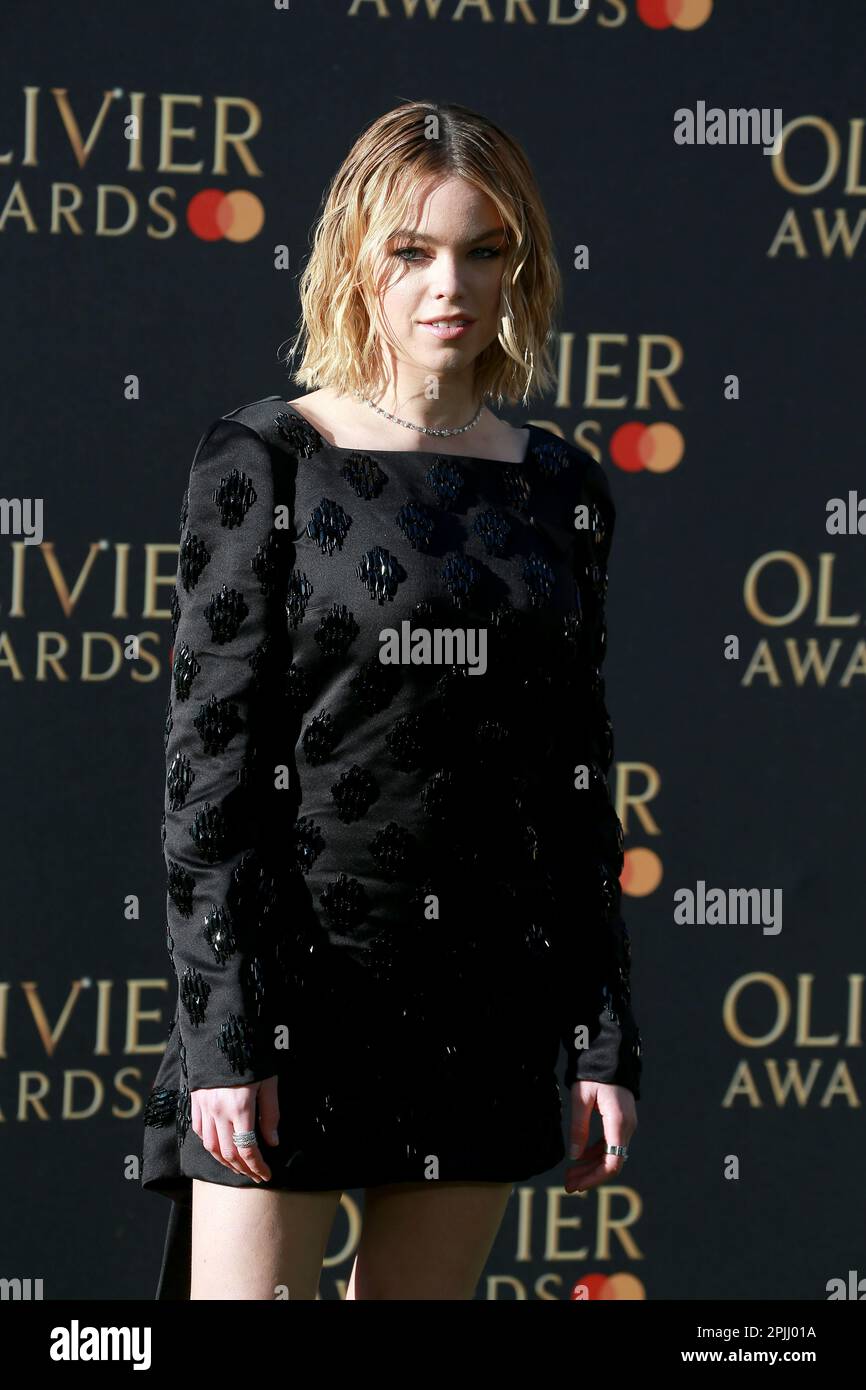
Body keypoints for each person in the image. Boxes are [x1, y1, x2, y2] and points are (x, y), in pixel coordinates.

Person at [140, 99, 642, 1302]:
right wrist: (227, 1036)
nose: (446, 285)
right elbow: (206, 774)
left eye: (482, 250)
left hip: (484, 992)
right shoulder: (265, 459)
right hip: (298, 983)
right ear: (355, 263)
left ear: (520, 265)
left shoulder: (559, 486)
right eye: (410, 251)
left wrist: (598, 1035)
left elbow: (573, 782)